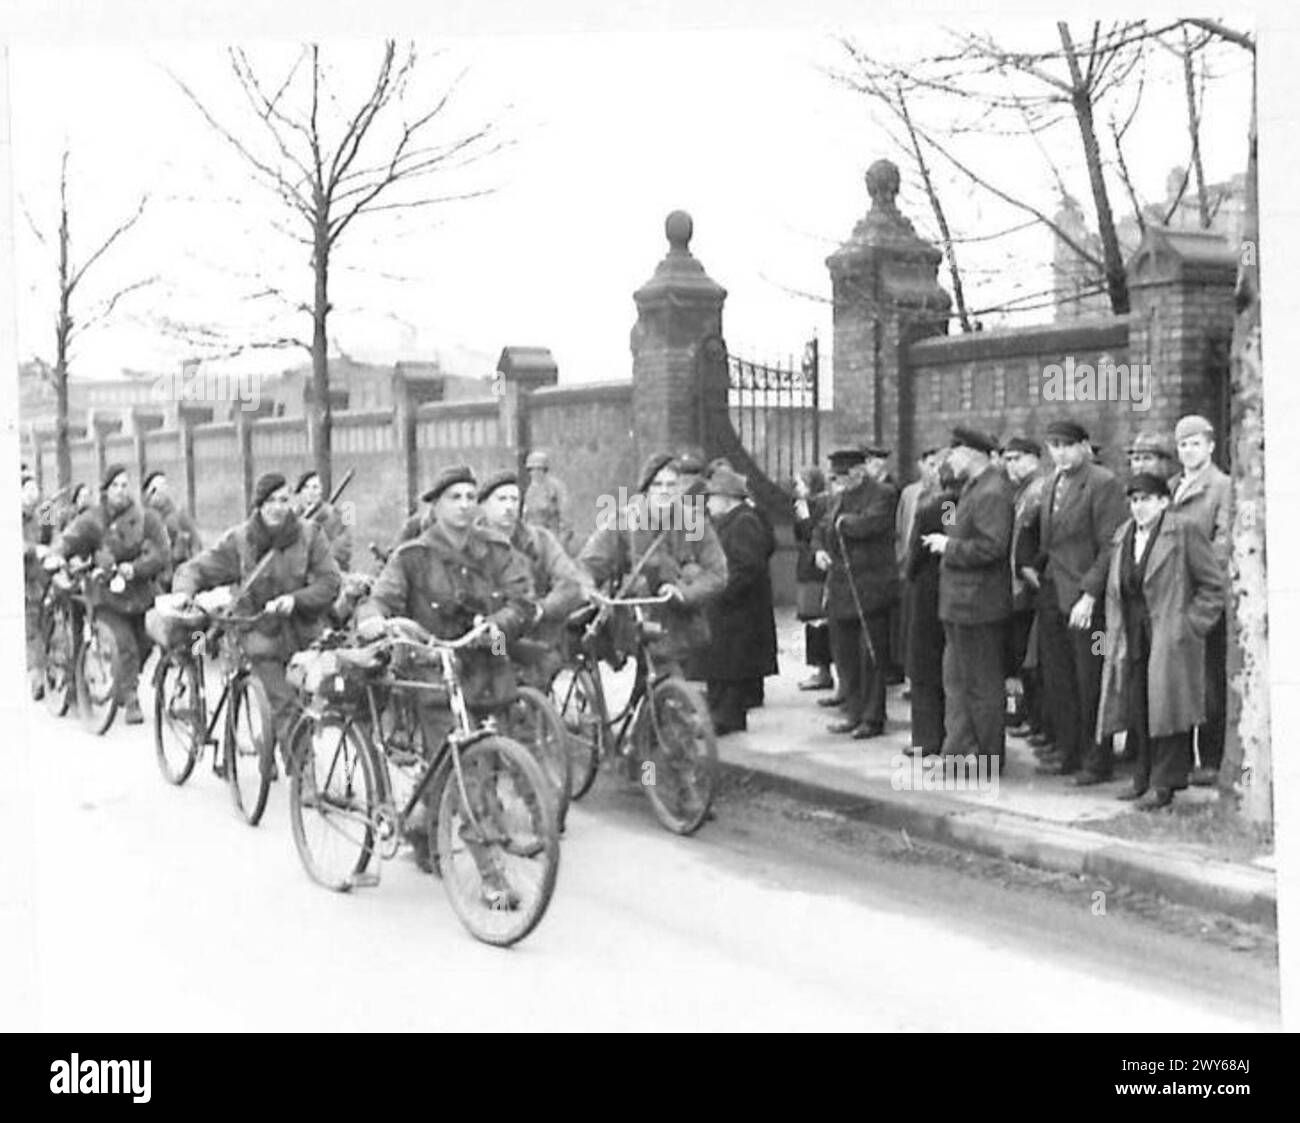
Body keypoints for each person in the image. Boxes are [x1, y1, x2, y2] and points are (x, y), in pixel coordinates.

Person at [356, 465, 536, 893]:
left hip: (487, 667)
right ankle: (493, 878)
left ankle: (422, 828)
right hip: (435, 674)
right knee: (467, 770)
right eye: (454, 497)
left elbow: (521, 599)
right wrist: (375, 622)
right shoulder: (413, 556)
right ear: (434, 505)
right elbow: (380, 598)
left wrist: (500, 625)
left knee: (475, 761)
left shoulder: (496, 550)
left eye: (471, 496)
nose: (464, 505)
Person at [174, 472, 341, 767]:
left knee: (308, 702)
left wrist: (296, 600)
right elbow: (199, 568)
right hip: (258, 633)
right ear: (258, 505)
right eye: (270, 501)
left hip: (303, 632)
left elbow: (330, 582)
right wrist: (184, 593)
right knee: (285, 703)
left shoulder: (310, 534)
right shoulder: (241, 540)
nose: (278, 507)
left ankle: (267, 753)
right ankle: (304, 777)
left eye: (283, 500)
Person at [1098, 473, 1225, 809]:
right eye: (1135, 500)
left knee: (1168, 708)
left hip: (1171, 634)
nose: (1139, 507)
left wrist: (1191, 625)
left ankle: (1165, 784)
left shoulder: (1182, 531)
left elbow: (1212, 585)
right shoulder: (1125, 534)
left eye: (1147, 499)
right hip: (1133, 632)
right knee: (1139, 703)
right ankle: (1142, 776)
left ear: (1163, 501)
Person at [1031, 420, 1128, 782]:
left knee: (1091, 679)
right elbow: (1049, 542)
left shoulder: (1103, 483)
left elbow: (1110, 544)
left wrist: (1090, 593)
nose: (1060, 452)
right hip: (1054, 594)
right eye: (1053, 445)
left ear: (1084, 446)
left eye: (1066, 445)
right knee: (1059, 678)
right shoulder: (1053, 482)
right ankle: (1068, 750)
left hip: (1089, 603)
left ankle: (1096, 758)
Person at [578, 452, 726, 678]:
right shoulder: (624, 521)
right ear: (646, 488)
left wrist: (684, 592)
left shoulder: (694, 522)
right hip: (636, 621)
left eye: (671, 484)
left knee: (678, 695)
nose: (665, 490)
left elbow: (717, 573)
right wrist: (589, 589)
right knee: (650, 689)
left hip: (682, 624)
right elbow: (589, 563)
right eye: (657, 484)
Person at [48, 464, 171, 724]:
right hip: (106, 595)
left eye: (125, 485)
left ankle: (125, 683)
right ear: (105, 490)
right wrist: (56, 556)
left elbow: (161, 552)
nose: (120, 491)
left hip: (140, 592)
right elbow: (69, 539)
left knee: (145, 643)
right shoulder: (93, 519)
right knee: (124, 644)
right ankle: (131, 699)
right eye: (115, 485)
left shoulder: (146, 518)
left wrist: (136, 568)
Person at [922, 427, 1015, 766]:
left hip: (978, 604)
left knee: (981, 687)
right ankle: (960, 752)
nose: (951, 459)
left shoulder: (991, 491)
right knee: (958, 682)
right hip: (961, 603)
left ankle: (987, 756)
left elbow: (993, 546)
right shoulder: (974, 488)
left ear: (973, 454)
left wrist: (949, 546)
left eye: (956, 452)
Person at [811, 447, 898, 740]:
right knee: (844, 653)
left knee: (869, 654)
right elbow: (820, 528)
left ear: (859, 471)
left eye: (843, 475)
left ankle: (872, 716)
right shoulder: (838, 497)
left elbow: (869, 524)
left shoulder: (883, 494)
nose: (839, 481)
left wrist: (843, 523)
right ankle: (852, 709)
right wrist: (820, 550)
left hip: (869, 587)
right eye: (835, 476)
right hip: (840, 587)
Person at [476, 468, 591, 683]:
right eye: (501, 499)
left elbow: (570, 582)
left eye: (514, 499)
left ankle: (532, 710)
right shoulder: (470, 543)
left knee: (540, 672)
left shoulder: (540, 540)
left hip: (535, 637)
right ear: (483, 506)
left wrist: (542, 609)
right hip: (491, 636)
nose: (509, 507)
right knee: (494, 671)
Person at [1167, 414, 1231, 787]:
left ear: (1209, 445)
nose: (1188, 451)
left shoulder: (1222, 487)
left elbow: (1222, 544)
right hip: (1171, 594)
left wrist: (1203, 580)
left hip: (1203, 594)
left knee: (1208, 681)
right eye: (1183, 445)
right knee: (1179, 678)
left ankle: (1210, 757)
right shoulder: (1173, 487)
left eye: (1195, 443)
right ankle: (1178, 758)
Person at [698, 466, 778, 735]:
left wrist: (722, 589)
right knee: (720, 664)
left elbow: (747, 567)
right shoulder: (729, 520)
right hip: (726, 608)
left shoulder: (744, 521)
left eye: (712, 497)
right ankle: (718, 713)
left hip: (738, 610)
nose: (708, 503)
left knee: (731, 665)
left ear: (727, 497)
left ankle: (728, 718)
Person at [903, 450, 958, 757]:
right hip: (952, 589)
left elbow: (915, 553)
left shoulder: (931, 507)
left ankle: (926, 739)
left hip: (926, 589)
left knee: (923, 666)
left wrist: (909, 573)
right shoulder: (956, 505)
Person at [1002, 436, 1051, 743]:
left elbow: (1041, 540)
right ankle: (1029, 717)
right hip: (1016, 590)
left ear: (1034, 457)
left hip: (1031, 591)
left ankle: (1037, 720)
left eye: (1017, 458)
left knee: (1034, 662)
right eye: (1007, 459)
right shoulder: (1020, 491)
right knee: (1021, 661)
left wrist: (1033, 575)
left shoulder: (1039, 489)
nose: (1012, 465)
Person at [862, 445, 905, 686]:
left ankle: (898, 670)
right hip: (904, 565)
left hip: (916, 566)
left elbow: (948, 529)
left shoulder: (892, 491)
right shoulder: (913, 493)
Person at [792, 465, 833, 691]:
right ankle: (820, 668)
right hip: (807, 567)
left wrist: (805, 518)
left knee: (819, 619)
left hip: (816, 569)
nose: (796, 489)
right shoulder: (802, 506)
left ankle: (824, 670)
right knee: (812, 620)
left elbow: (813, 535)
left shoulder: (822, 505)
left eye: (800, 484)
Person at [22, 469, 54, 699]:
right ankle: (36, 678)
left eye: (36, 488)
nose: (34, 494)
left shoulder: (44, 511)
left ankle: (52, 669)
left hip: (44, 577)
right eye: (28, 489)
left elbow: (56, 535)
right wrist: (34, 549)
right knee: (32, 631)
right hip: (25, 581)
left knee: (49, 625)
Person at [142, 469, 203, 576]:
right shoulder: (144, 521)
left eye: (164, 486)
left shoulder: (180, 516)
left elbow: (196, 543)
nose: (161, 492)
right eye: (154, 490)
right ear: (147, 494)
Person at [294, 470, 353, 571]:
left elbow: (343, 550)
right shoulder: (293, 517)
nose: (310, 492)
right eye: (306, 487)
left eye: (315, 487)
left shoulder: (335, 516)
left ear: (321, 490)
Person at [522, 450, 574, 552]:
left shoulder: (556, 487)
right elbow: (526, 517)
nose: (535, 472)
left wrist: (561, 543)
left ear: (545, 470)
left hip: (553, 538)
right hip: (534, 540)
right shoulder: (529, 491)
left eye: (538, 469)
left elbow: (566, 516)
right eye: (531, 469)